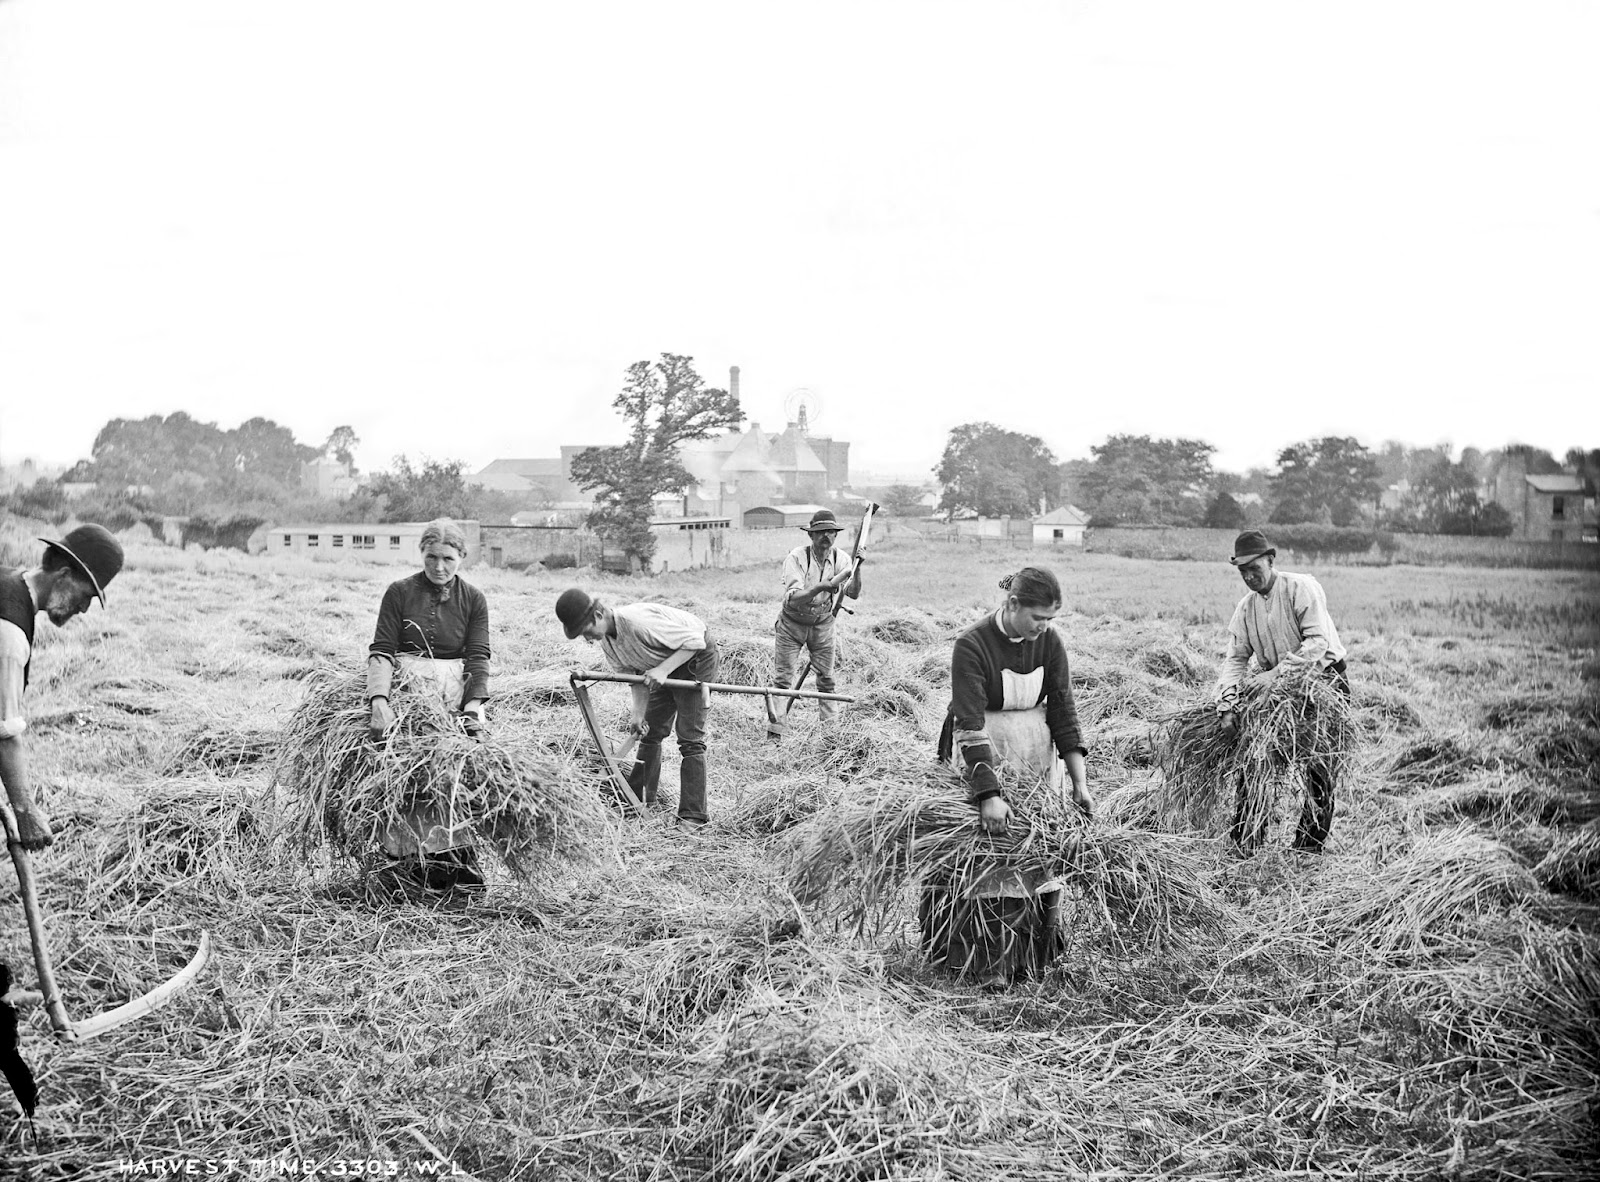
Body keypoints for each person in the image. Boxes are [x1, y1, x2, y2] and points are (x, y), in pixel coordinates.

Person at [923, 566, 1093, 988]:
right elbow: (968, 723)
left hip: (1036, 758)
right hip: (984, 754)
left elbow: (1063, 714)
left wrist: (1079, 784)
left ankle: (1032, 960)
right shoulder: (972, 644)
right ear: (1013, 604)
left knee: (1036, 852)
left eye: (1051, 619)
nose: (1044, 627)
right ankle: (982, 963)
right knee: (986, 852)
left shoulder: (1050, 643)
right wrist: (988, 794)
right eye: (1038, 617)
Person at [366, 518, 491, 891]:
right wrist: (379, 700)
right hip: (406, 694)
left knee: (452, 779)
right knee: (405, 779)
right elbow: (382, 651)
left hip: (453, 697)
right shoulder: (399, 592)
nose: (439, 566)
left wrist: (473, 706)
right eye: (432, 557)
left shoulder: (474, 600)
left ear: (462, 557)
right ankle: (403, 871)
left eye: (448, 558)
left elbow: (478, 656)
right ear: (421, 553)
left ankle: (455, 872)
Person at [1214, 529, 1350, 854]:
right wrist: (1226, 705)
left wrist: (1275, 674)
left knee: (1319, 768)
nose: (1249, 576)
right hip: (1280, 691)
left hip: (1324, 682)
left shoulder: (1300, 588)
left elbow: (1318, 643)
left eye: (1254, 568)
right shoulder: (1246, 609)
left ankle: (1307, 850)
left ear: (1271, 560)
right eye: (1242, 571)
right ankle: (1246, 840)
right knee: (1256, 757)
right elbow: (1235, 659)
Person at [1, 525, 125, 852]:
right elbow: (4, 734)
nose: (83, 609)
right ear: (64, 575)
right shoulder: (9, 634)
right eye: (86, 596)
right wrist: (25, 811)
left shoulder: (8, 581)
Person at [556, 588, 719, 830]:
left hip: (696, 658)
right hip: (662, 664)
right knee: (649, 731)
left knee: (689, 736)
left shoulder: (638, 622)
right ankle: (638, 800)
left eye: (587, 631)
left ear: (599, 615)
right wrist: (638, 714)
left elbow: (695, 640)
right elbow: (635, 678)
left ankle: (693, 816)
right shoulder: (608, 643)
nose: (588, 639)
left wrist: (663, 670)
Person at [766, 508, 863, 741]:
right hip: (792, 624)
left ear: (836, 535)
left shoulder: (842, 559)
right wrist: (822, 586)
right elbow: (794, 596)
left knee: (827, 680)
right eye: (820, 532)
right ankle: (776, 735)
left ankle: (831, 737)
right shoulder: (797, 558)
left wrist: (858, 570)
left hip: (823, 624)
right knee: (783, 679)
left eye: (830, 532)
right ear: (811, 535)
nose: (826, 537)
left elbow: (853, 593)